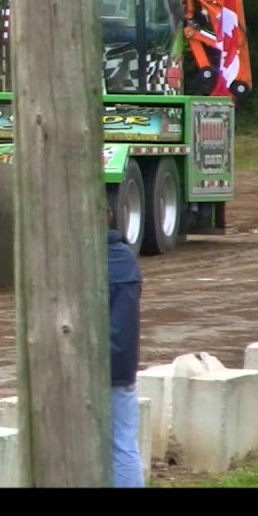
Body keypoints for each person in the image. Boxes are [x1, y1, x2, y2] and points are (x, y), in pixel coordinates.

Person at [108, 206, 144, 487]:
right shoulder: (126, 258)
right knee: (124, 444)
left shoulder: (84, 263)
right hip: (124, 365)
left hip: (93, 368)